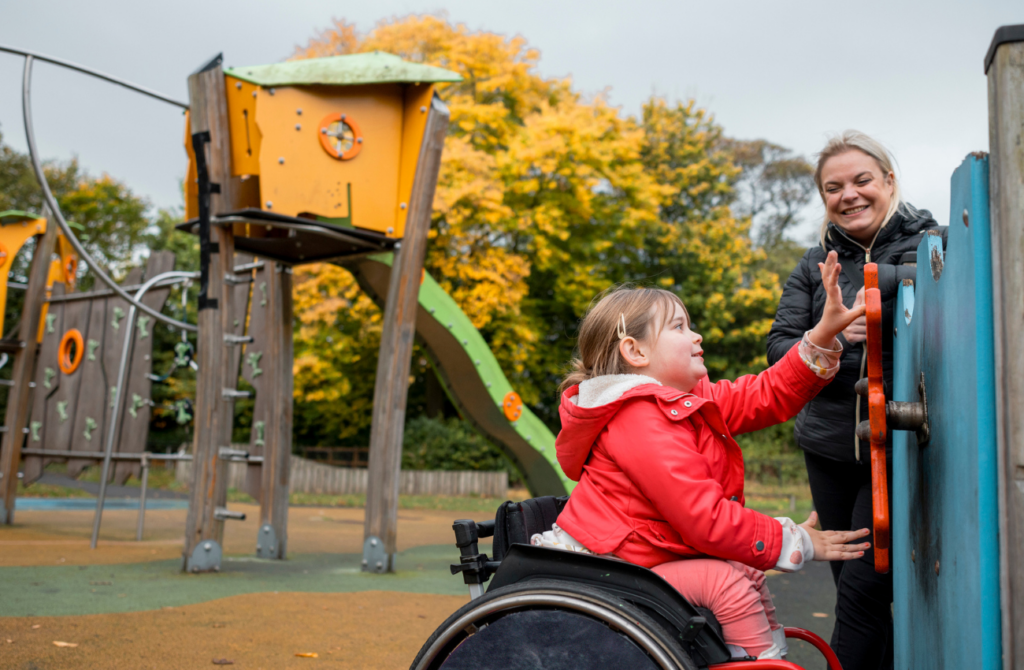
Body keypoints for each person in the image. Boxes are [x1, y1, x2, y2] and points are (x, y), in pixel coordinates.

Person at [539, 251, 869, 660]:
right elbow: (705, 519)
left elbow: (764, 395)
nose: (696, 336)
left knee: (744, 569)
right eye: (680, 327)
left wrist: (819, 337)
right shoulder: (637, 418)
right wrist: (794, 539)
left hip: (642, 559)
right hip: (610, 572)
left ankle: (767, 658)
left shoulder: (688, 401)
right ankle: (759, 664)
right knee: (723, 582)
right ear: (635, 352)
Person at [767, 130, 945, 669]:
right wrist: (833, 337)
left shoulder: (930, 242)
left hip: (897, 436)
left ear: (888, 181)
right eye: (834, 187)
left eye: (862, 180)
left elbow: (941, 297)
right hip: (827, 444)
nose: (850, 194)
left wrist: (879, 295)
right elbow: (780, 348)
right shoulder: (813, 263)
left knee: (864, 590)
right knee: (853, 585)